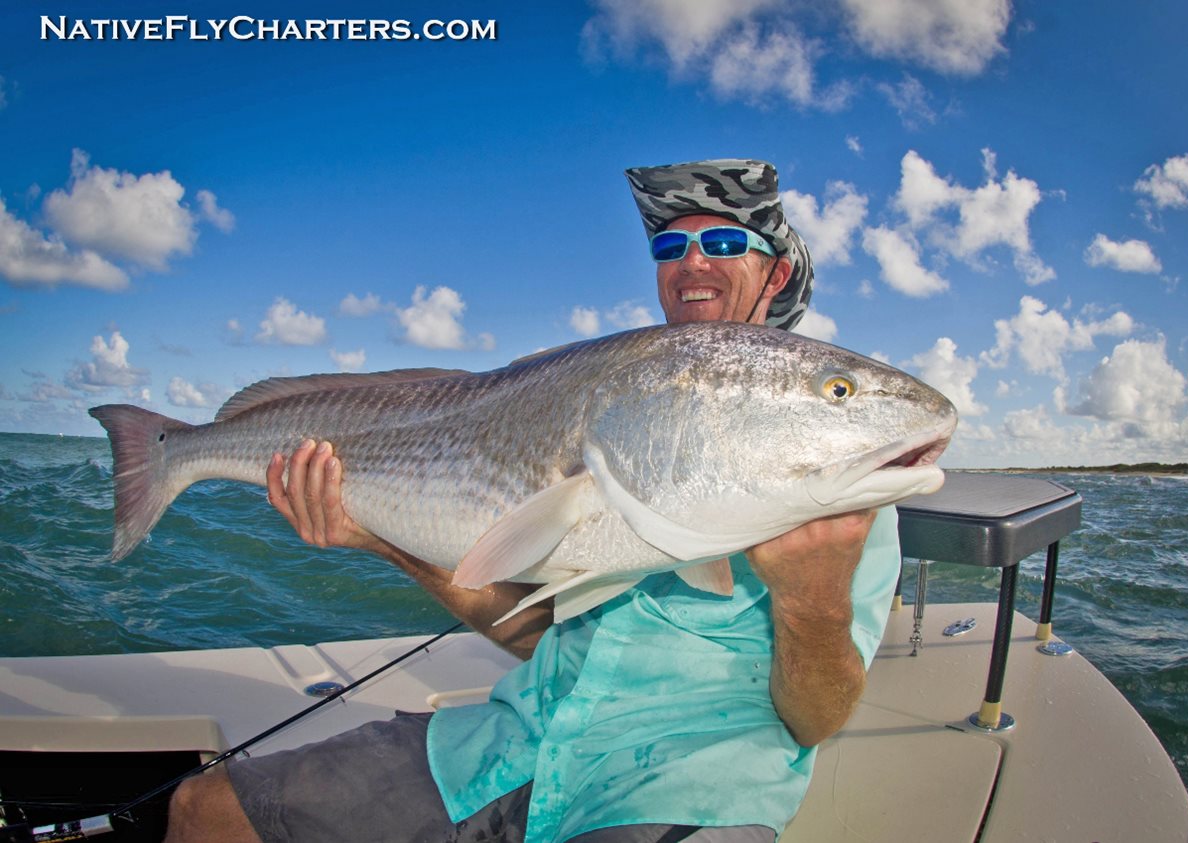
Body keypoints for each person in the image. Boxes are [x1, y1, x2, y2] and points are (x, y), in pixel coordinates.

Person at [165, 159, 902, 843]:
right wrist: (379, 535)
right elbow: (532, 635)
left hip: (687, 784)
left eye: (724, 241)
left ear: (775, 273)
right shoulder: (612, 401)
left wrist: (812, 599)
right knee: (204, 809)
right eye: (670, 247)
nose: (693, 263)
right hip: (514, 744)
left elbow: (816, 719)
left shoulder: (843, 494)